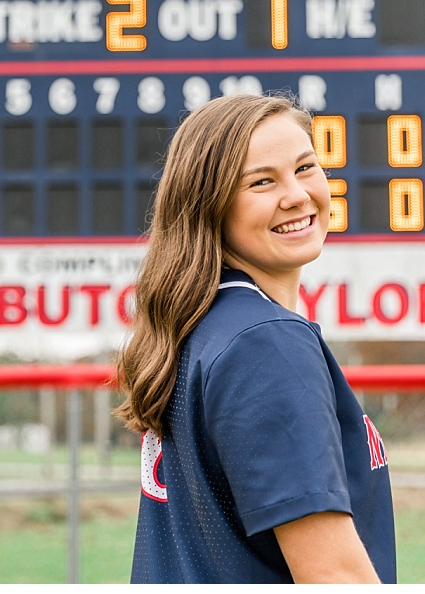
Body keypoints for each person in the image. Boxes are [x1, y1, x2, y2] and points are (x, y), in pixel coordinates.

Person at [115, 92, 396, 584]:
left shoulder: (203, 326)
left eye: (306, 167)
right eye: (262, 181)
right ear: (210, 207)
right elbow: (335, 577)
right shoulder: (265, 344)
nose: (296, 194)